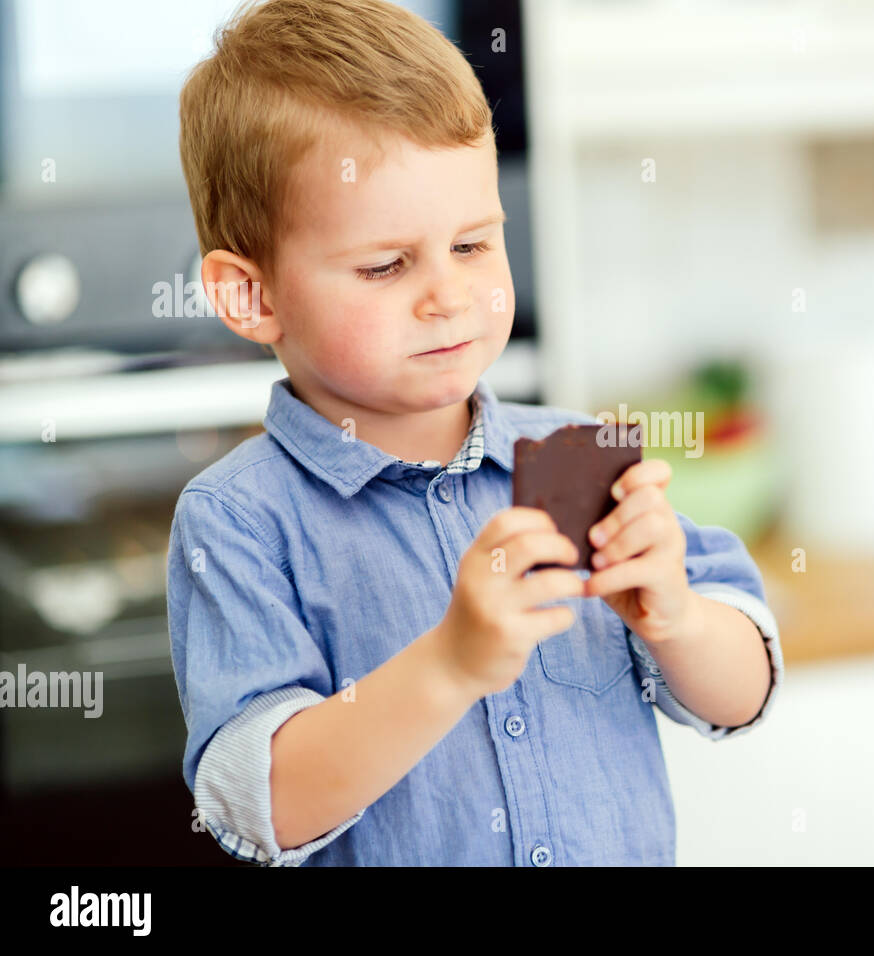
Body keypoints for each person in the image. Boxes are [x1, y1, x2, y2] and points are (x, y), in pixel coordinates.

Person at [168, 0, 782, 866]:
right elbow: (257, 806)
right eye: (385, 265)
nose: (448, 296)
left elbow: (741, 693)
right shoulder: (238, 521)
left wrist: (677, 619)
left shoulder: (576, 455)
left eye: (473, 245)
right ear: (252, 295)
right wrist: (451, 662)